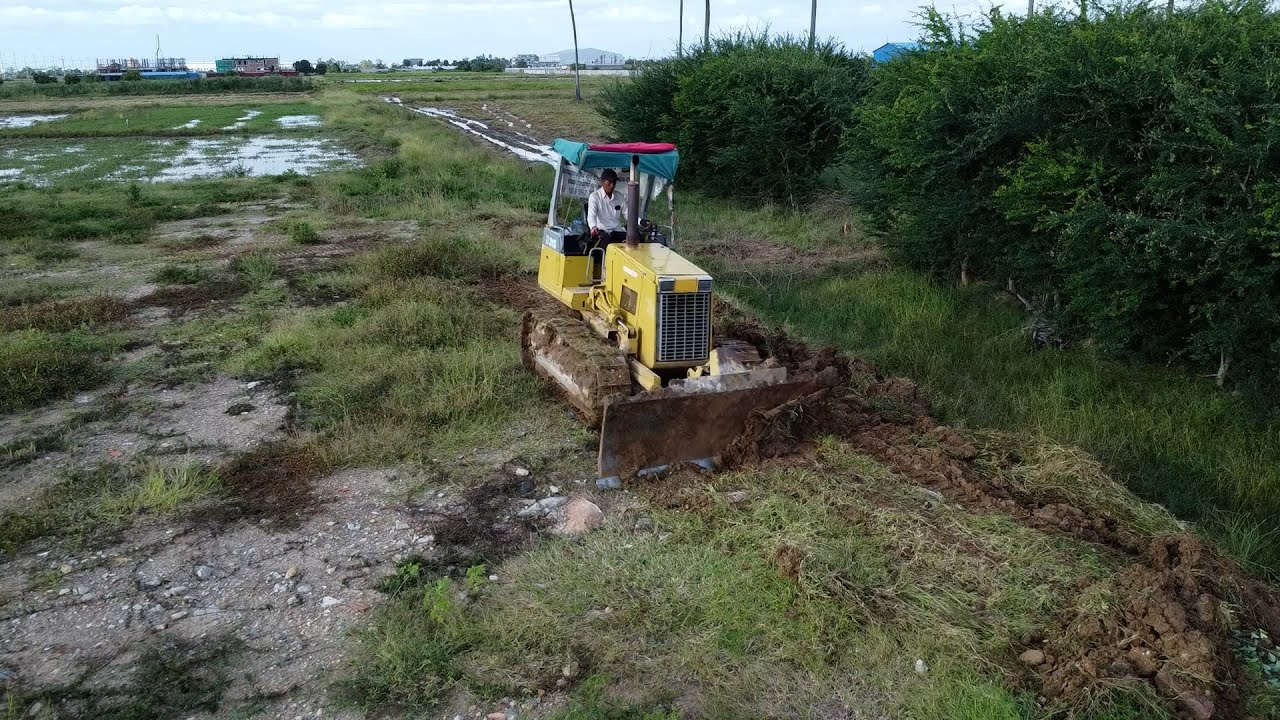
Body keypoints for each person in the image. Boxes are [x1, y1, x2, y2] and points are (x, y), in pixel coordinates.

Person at [587, 169, 634, 248]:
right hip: (602, 231)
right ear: (602, 182)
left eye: (614, 182)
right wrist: (593, 227)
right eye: (609, 182)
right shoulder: (594, 196)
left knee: (635, 239)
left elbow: (628, 215)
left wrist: (640, 221)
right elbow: (591, 216)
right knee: (607, 243)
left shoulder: (619, 196)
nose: (612, 185)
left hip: (617, 230)